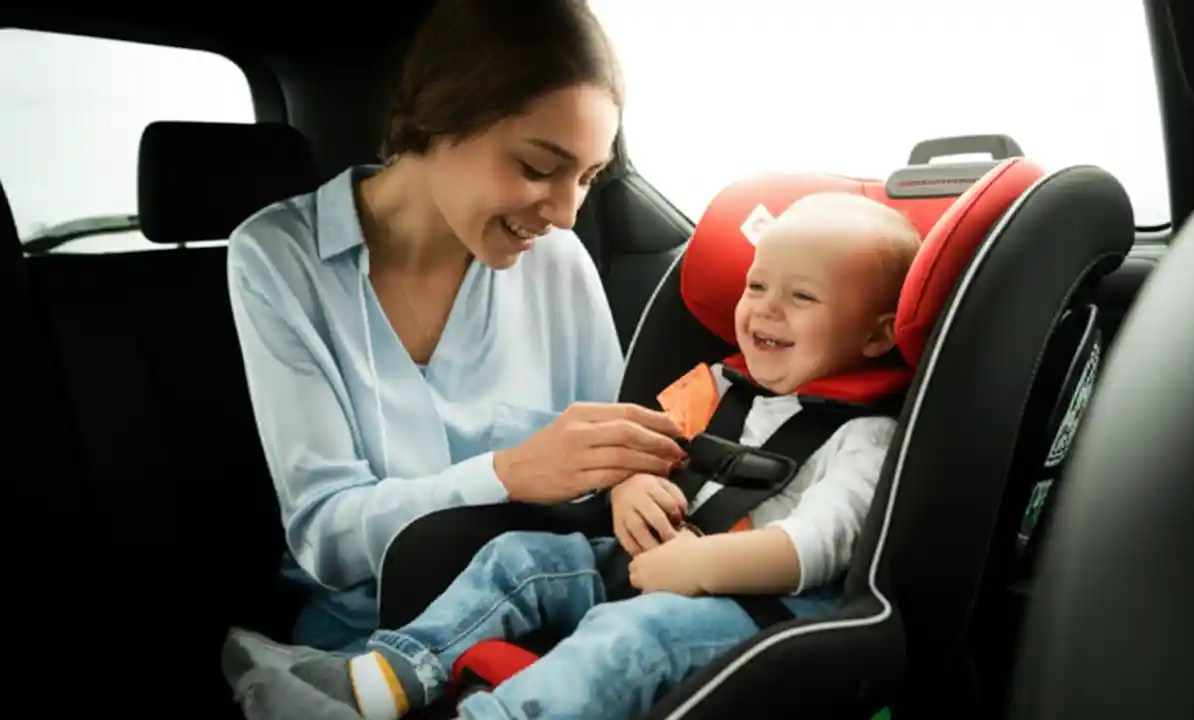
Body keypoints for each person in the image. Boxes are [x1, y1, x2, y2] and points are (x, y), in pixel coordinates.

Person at [223, 192, 923, 720]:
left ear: (874, 336)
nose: (765, 309)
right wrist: (629, 487)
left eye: (800, 297)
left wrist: (702, 565)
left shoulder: (864, 435)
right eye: (757, 286)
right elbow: (635, 446)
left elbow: (817, 546)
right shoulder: (716, 384)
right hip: (653, 557)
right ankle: (391, 674)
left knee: (631, 632)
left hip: (756, 610)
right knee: (519, 558)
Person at [225, 0, 685, 654]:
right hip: (370, 636)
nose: (566, 214)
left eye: (587, 178)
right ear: (443, 117)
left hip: (547, 618)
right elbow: (325, 537)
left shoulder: (556, 260)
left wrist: (630, 477)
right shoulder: (280, 256)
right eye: (537, 168)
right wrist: (509, 473)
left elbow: (612, 446)